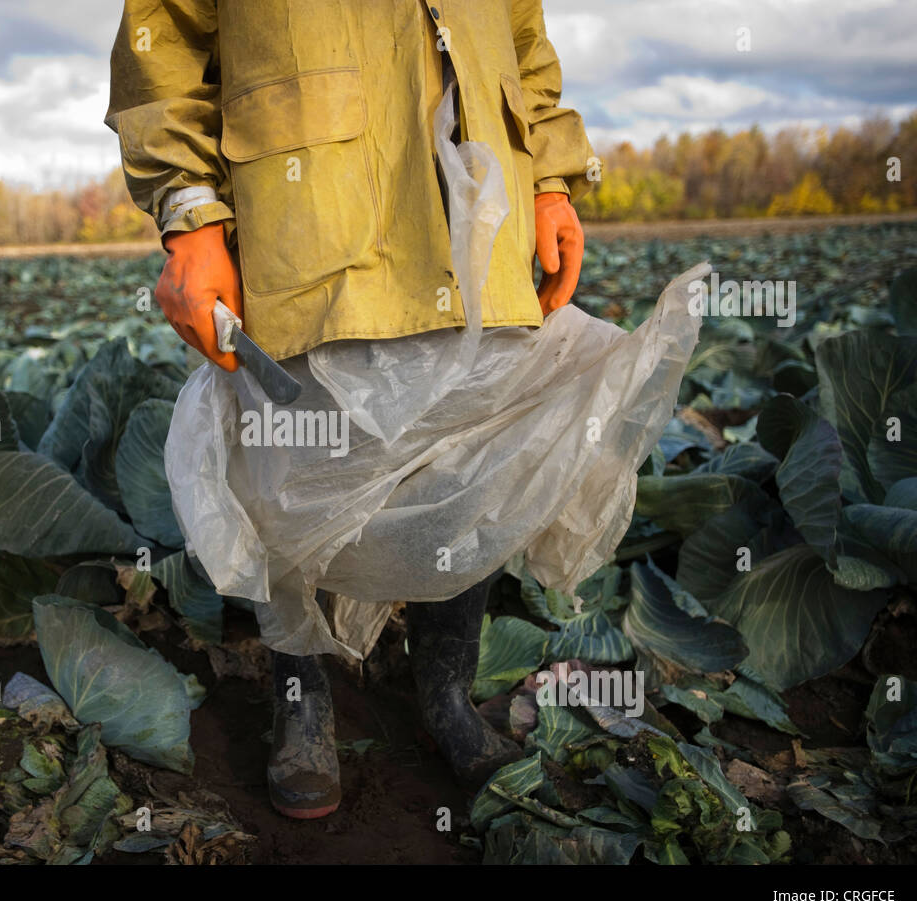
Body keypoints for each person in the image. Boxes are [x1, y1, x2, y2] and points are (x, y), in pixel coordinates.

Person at [107, 1, 600, 819]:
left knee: (468, 457)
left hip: (481, 202)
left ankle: (445, 693)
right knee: (297, 464)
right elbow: (164, 41)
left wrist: (547, 176)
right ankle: (303, 693)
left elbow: (521, 38)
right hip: (312, 209)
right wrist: (189, 210)